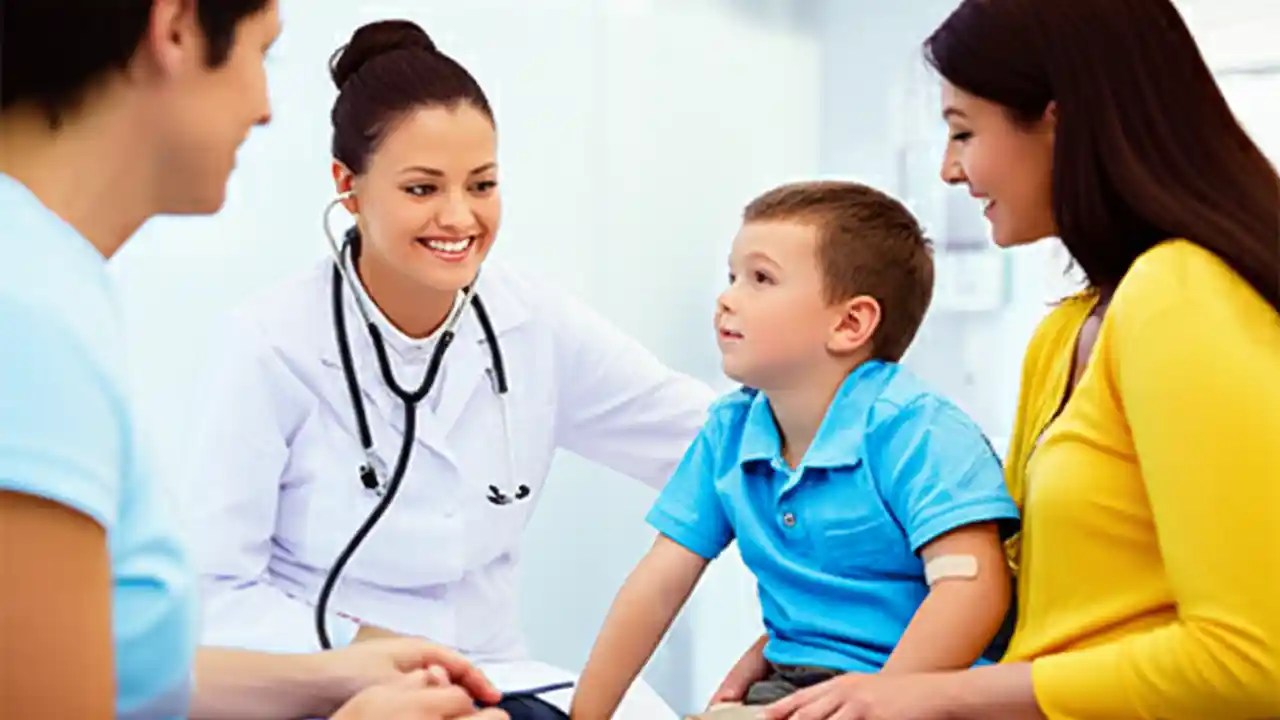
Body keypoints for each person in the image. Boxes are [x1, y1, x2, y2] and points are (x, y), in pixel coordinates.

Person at [725, 1, 1280, 719]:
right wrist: (822, 647)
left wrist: (943, 696)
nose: (950, 170)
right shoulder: (1071, 330)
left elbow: (1254, 659)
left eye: (963, 132)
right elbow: (1021, 591)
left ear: (1057, 120)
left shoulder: (1181, 297)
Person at [183, 18, 714, 720]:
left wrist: (862, 453)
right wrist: (369, 650)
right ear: (348, 186)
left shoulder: (532, 322)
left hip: (498, 680)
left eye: (483, 184)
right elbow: (216, 590)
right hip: (324, 685)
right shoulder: (272, 343)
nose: (460, 217)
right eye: (422, 189)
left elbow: (709, 443)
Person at [0, 1, 508, 718]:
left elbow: (105, 666)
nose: (265, 108)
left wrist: (336, 675)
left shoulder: (42, 276)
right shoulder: (23, 317)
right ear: (175, 28)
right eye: (259, 55)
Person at [569, 181, 1021, 720]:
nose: (727, 297)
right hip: (791, 688)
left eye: (760, 279)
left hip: (926, 691)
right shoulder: (730, 433)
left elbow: (973, 592)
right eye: (732, 275)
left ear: (850, 323)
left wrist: (881, 703)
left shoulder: (917, 431)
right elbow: (657, 586)